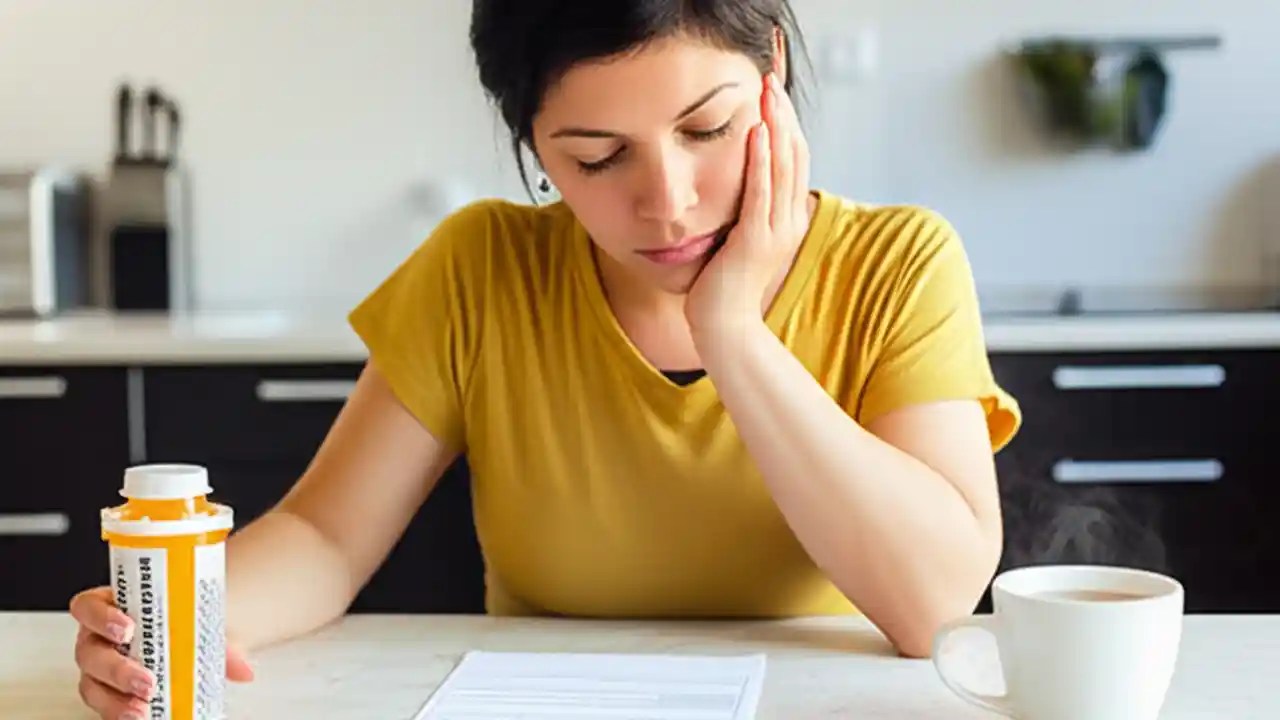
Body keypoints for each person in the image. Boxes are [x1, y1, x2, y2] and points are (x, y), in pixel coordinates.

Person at [69, 1, 1021, 717]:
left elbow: (934, 605)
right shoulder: (481, 268)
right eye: (599, 158)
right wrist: (175, 624)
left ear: (772, 64)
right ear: (532, 143)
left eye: (708, 129)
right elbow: (327, 536)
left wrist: (732, 334)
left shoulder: (899, 264)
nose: (671, 202)